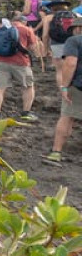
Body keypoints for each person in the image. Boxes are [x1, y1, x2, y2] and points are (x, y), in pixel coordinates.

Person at [45, 16, 82, 166]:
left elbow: (70, 63)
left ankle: (56, 152)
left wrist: (65, 86)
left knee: (67, 116)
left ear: (77, 29)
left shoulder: (74, 41)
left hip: (78, 86)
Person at [0, 15, 41, 122]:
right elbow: (32, 48)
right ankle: (26, 113)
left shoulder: (1, 28)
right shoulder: (26, 29)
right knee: (28, 86)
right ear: (24, 22)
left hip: (1, 61)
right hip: (21, 62)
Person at [41, 0, 73, 77]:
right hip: (73, 43)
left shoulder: (48, 18)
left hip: (57, 43)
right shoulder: (76, 15)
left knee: (60, 71)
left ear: (52, 7)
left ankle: (63, 89)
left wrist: (46, 49)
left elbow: (45, 36)